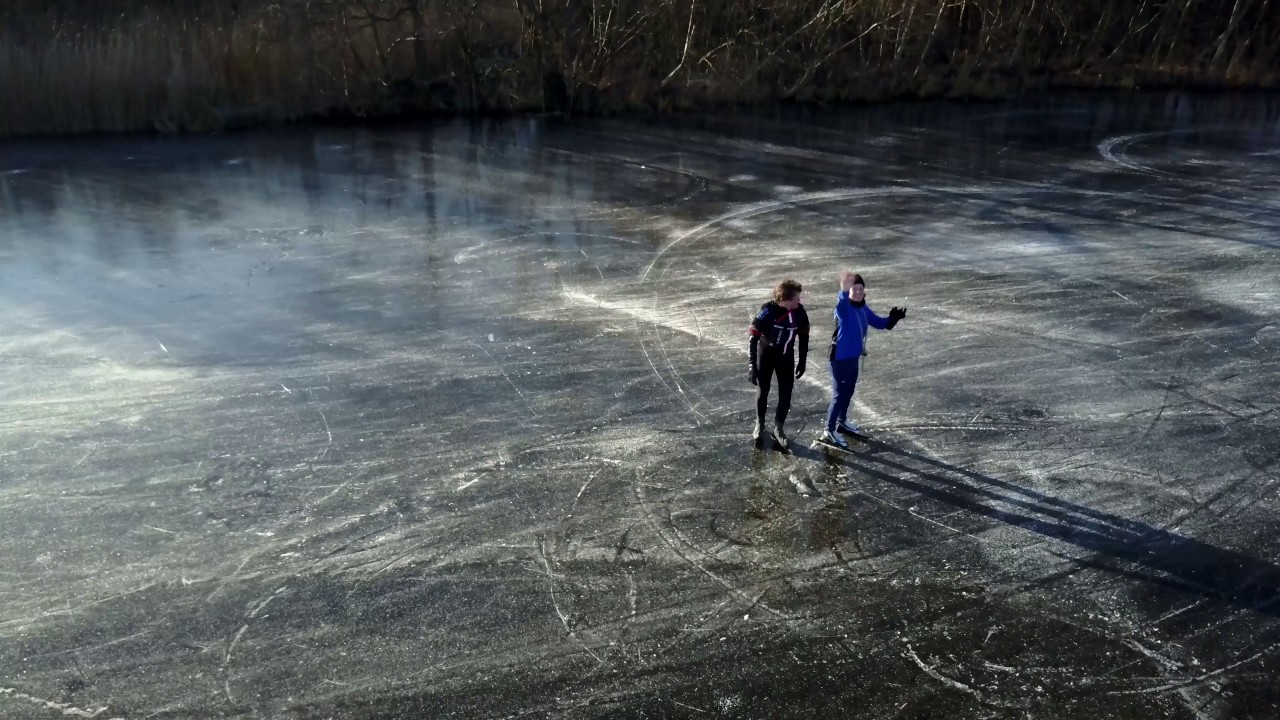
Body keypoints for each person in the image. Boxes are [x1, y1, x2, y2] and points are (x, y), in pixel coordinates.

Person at [820, 272, 906, 449]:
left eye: (861, 289)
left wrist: (893, 319)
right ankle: (829, 430)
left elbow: (881, 324)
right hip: (839, 360)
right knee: (839, 395)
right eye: (854, 289)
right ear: (848, 291)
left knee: (849, 391)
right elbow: (842, 300)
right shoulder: (843, 308)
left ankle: (842, 422)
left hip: (853, 359)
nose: (858, 292)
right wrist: (844, 288)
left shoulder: (863, 309)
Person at [748, 279, 809, 448]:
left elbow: (804, 337)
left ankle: (779, 428)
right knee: (763, 390)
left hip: (786, 357)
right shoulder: (767, 311)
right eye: (797, 297)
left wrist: (802, 360)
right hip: (766, 355)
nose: (800, 300)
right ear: (786, 299)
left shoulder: (800, 312)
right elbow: (753, 338)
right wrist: (752, 366)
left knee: (786, 392)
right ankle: (760, 424)